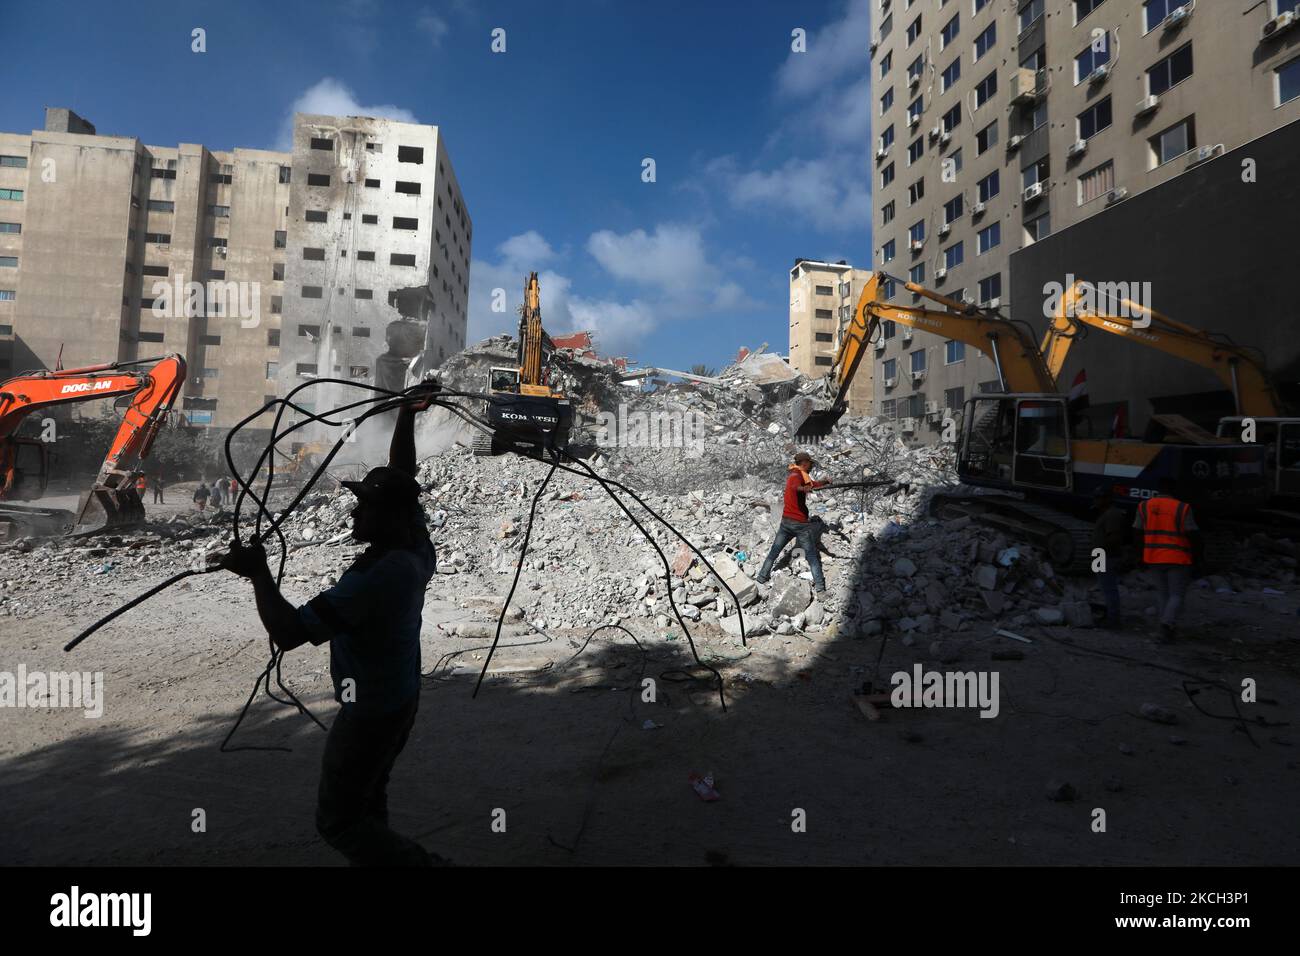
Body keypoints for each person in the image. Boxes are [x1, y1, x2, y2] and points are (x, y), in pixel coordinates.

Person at [221, 391, 441, 866]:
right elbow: (406, 477)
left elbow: (291, 633)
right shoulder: (415, 548)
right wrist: (406, 416)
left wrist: (258, 572)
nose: (354, 513)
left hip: (372, 710)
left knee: (340, 820)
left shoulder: (374, 581)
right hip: (399, 696)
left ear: (389, 516)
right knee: (369, 801)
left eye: (364, 507)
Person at [1133, 476, 1201, 642]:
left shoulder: (1144, 506)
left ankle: (1165, 631)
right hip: (1178, 557)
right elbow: (1193, 534)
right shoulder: (1182, 508)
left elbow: (1136, 532)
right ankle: (1166, 624)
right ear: (1174, 489)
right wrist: (1199, 557)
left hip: (1153, 556)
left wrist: (1138, 555)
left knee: (1163, 594)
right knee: (1176, 595)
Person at [755, 451, 829, 593]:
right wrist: (804, 489)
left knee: (774, 551)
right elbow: (796, 487)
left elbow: (813, 484)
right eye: (810, 464)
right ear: (805, 463)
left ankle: (761, 577)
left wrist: (824, 482)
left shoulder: (800, 475)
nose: (811, 467)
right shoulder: (796, 476)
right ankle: (820, 588)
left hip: (786, 523)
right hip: (800, 525)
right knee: (812, 557)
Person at [1091, 484, 1130, 628]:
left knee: (1109, 588)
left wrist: (1100, 551)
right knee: (1103, 587)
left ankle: (1113, 620)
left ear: (1107, 499)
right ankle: (1109, 615)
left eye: (1099, 498)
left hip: (1106, 556)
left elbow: (1113, 538)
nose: (1096, 501)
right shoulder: (1106, 513)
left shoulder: (1112, 514)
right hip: (1100, 555)